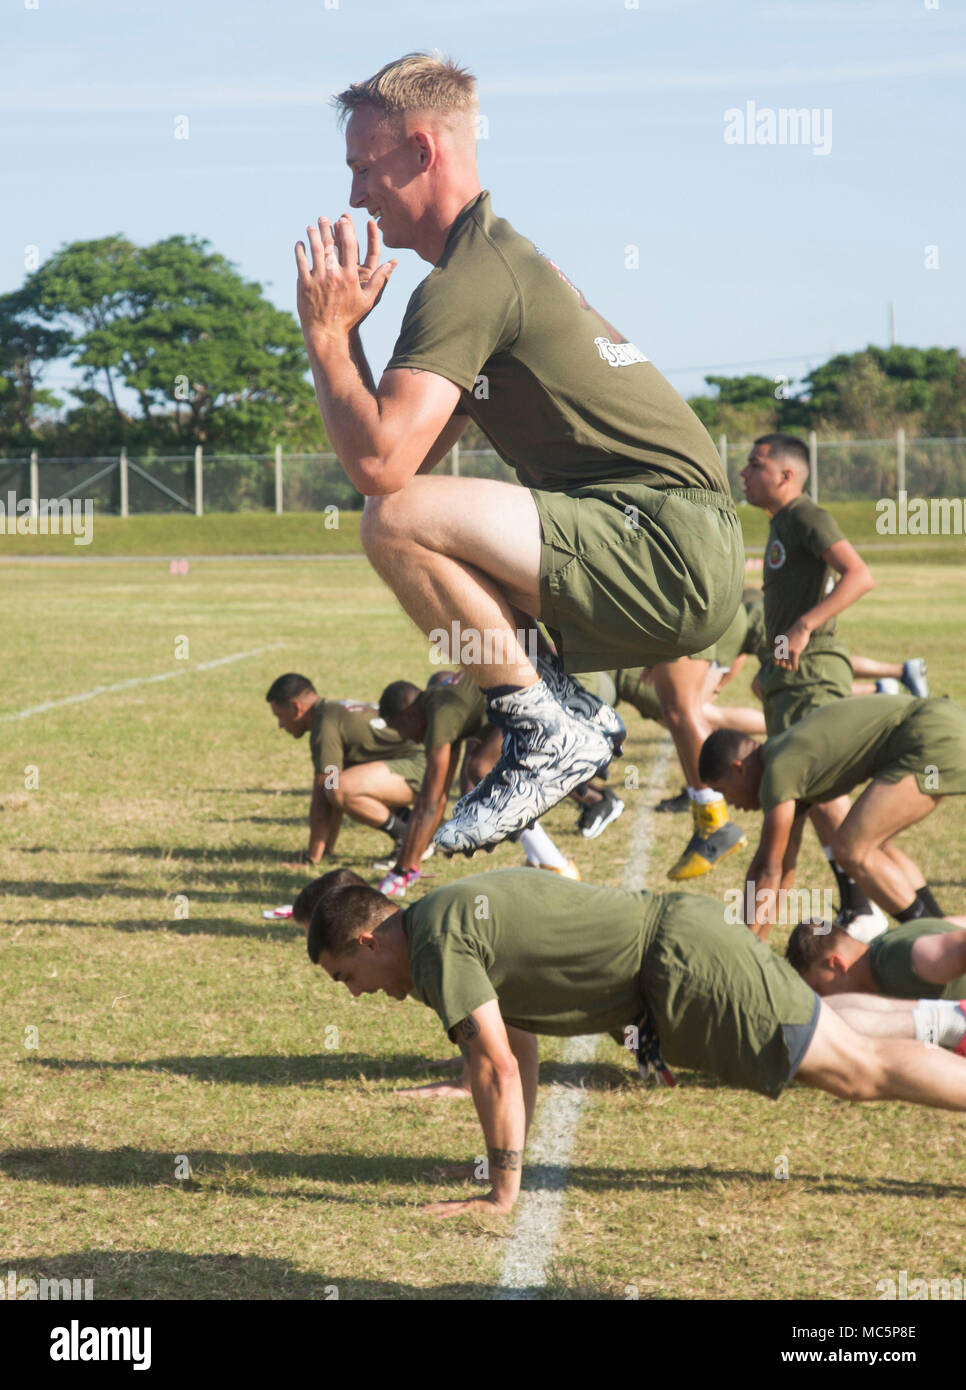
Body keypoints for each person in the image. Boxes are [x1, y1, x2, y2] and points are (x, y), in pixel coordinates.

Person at [293, 51, 744, 855]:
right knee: (404, 521)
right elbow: (404, 458)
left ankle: (551, 727)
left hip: (667, 543)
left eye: (365, 168)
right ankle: (558, 712)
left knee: (389, 520)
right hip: (674, 543)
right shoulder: (492, 261)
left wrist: (326, 337)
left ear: (423, 152)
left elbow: (380, 476)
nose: (356, 194)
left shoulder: (469, 279)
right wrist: (349, 346)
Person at [308, 869, 966, 1218]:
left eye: (346, 977)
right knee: (844, 1054)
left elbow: (496, 1069)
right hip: (680, 955)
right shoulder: (439, 921)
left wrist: (499, 1196)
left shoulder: (434, 944)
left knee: (857, 1071)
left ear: (366, 941)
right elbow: (520, 1047)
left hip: (684, 962)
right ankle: (947, 1020)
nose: (356, 993)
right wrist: (497, 1170)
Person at [739, 434, 895, 934]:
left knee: (815, 792)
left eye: (755, 464)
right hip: (790, 681)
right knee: (795, 810)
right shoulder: (782, 523)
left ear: (787, 475)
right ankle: (757, 941)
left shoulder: (807, 516)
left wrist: (804, 627)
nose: (744, 472)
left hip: (814, 676)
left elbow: (859, 575)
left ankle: (868, 908)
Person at [698, 693, 966, 937]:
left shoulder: (778, 773)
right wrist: (755, 949)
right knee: (875, 846)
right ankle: (942, 934)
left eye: (722, 790)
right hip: (938, 728)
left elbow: (767, 870)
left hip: (932, 746)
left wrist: (740, 950)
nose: (729, 802)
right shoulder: (782, 760)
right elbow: (781, 872)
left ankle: (939, 942)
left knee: (851, 848)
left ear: (738, 769)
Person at [579, 591, 765, 864]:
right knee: (686, 715)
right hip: (696, 605)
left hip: (693, 605)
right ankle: (701, 795)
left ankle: (710, 808)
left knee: (686, 714)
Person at [377, 672, 580, 894]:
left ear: (408, 715)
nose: (404, 738)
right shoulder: (438, 708)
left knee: (482, 769)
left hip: (539, 702)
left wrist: (401, 871)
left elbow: (430, 803)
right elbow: (438, 795)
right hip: (532, 698)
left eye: (398, 729)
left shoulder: (441, 714)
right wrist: (410, 866)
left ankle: (557, 863)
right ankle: (543, 859)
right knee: (484, 774)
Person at [266, 673, 425, 868]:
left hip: (421, 766)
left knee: (339, 788)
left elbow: (325, 796)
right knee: (344, 782)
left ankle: (409, 840)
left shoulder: (324, 724)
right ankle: (420, 831)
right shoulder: (331, 710)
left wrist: (312, 857)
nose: (280, 725)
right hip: (417, 761)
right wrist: (324, 851)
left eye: (280, 716)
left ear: (295, 707)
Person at [785, 918, 966, 1053]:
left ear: (838, 965)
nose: (822, 1000)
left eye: (817, 989)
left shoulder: (895, 961)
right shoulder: (891, 946)